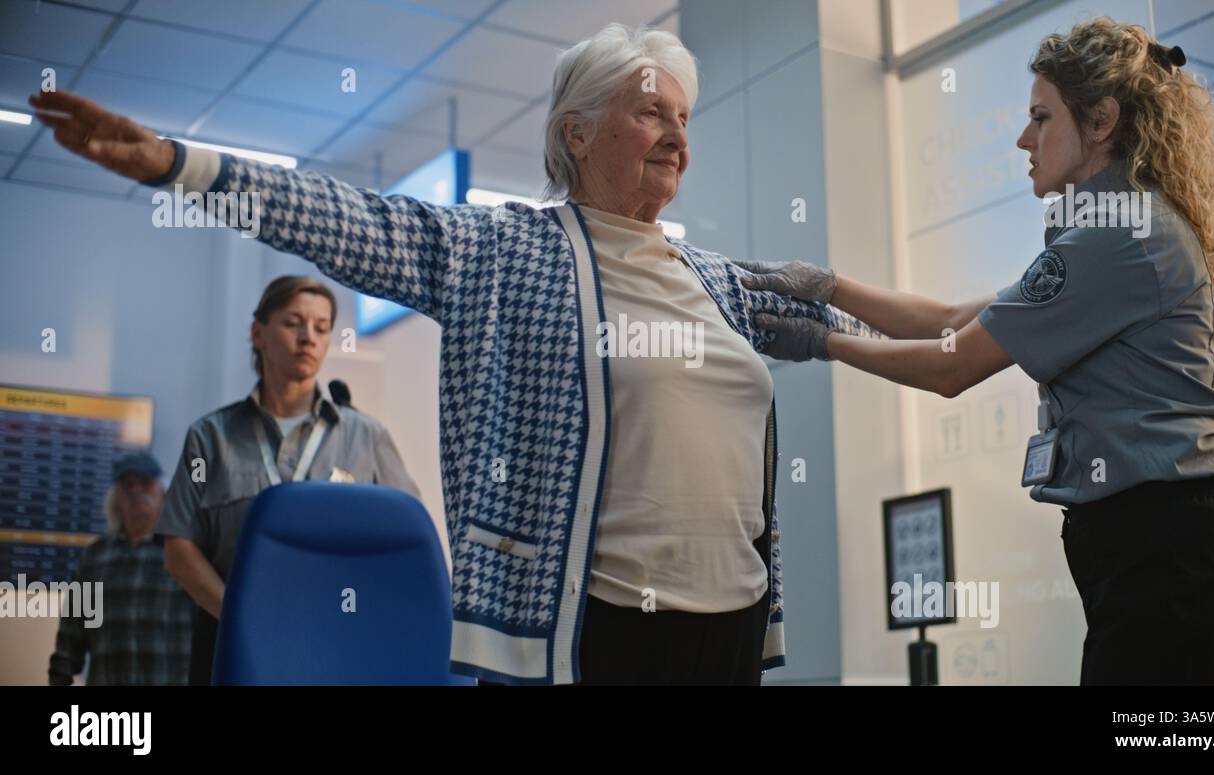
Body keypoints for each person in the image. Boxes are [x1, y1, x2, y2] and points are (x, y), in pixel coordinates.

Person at [30, 23, 871, 685]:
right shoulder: (502, 250)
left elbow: (893, 337)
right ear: (576, 135)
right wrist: (182, 165)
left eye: (684, 119)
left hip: (733, 626)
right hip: (593, 632)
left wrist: (989, 328)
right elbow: (343, 217)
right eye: (650, 111)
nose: (676, 136)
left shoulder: (715, 278)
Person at [747, 18, 1214, 685]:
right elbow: (950, 320)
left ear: (1102, 120)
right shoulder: (1108, 229)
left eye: (1040, 118)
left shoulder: (1116, 238)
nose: (1024, 139)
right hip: (1172, 560)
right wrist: (828, 287)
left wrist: (821, 339)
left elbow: (952, 364)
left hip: (1176, 564)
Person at [155, 276, 422, 685]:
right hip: (234, 647)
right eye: (294, 323)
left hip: (340, 646)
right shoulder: (211, 437)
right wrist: (242, 617)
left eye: (321, 328)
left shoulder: (365, 436)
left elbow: (407, 542)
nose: (308, 338)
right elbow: (178, 548)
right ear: (258, 333)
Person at [48, 452, 191, 685]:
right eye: (127, 485)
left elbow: (208, 634)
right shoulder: (95, 557)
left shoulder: (184, 554)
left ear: (162, 492)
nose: (136, 491)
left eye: (145, 483)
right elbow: (71, 635)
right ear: (116, 498)